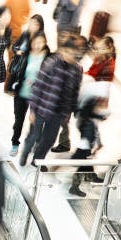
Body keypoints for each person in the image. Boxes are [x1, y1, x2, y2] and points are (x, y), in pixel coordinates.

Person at [19, 35, 82, 166]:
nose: (70, 56)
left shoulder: (77, 70)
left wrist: (68, 113)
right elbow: (37, 88)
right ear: (62, 51)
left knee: (49, 140)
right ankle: (24, 154)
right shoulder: (51, 63)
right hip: (41, 108)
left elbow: (74, 93)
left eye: (73, 53)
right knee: (34, 136)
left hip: (58, 113)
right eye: (68, 52)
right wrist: (32, 110)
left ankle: (37, 161)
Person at [68, 84, 110, 197]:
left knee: (86, 162)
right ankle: (74, 187)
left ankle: (91, 175)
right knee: (82, 164)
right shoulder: (90, 103)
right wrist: (88, 146)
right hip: (85, 142)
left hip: (87, 140)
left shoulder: (90, 102)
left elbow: (88, 116)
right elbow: (86, 122)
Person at [10, 30, 47, 157]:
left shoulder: (47, 57)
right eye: (35, 42)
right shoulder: (26, 54)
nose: (37, 45)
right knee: (18, 120)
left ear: (45, 43)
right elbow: (17, 70)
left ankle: (31, 144)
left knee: (35, 123)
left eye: (41, 42)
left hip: (38, 96)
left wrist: (36, 81)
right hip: (22, 93)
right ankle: (15, 143)